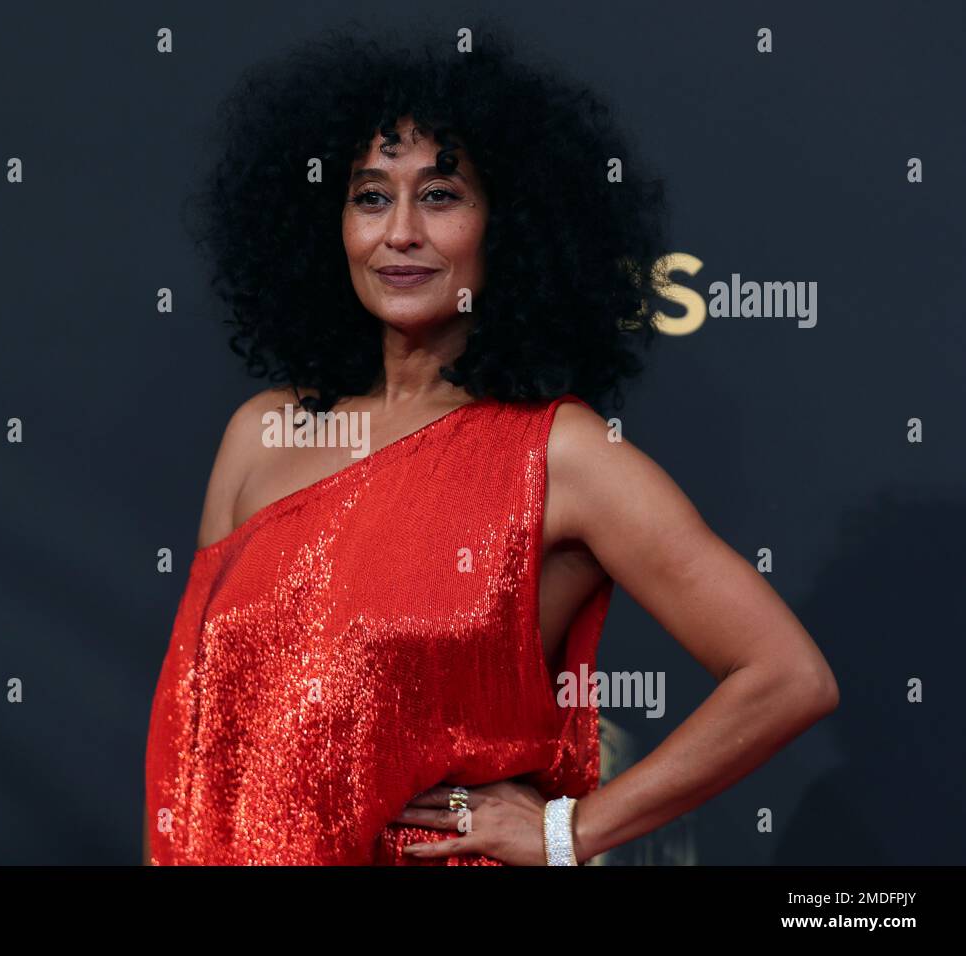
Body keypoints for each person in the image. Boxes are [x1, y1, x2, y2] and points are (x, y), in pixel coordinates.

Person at [143, 26, 838, 865]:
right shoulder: (259, 437)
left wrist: (564, 831)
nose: (400, 232)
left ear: (508, 226)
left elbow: (787, 677)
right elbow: (190, 747)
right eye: (370, 196)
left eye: (440, 195)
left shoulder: (562, 456)